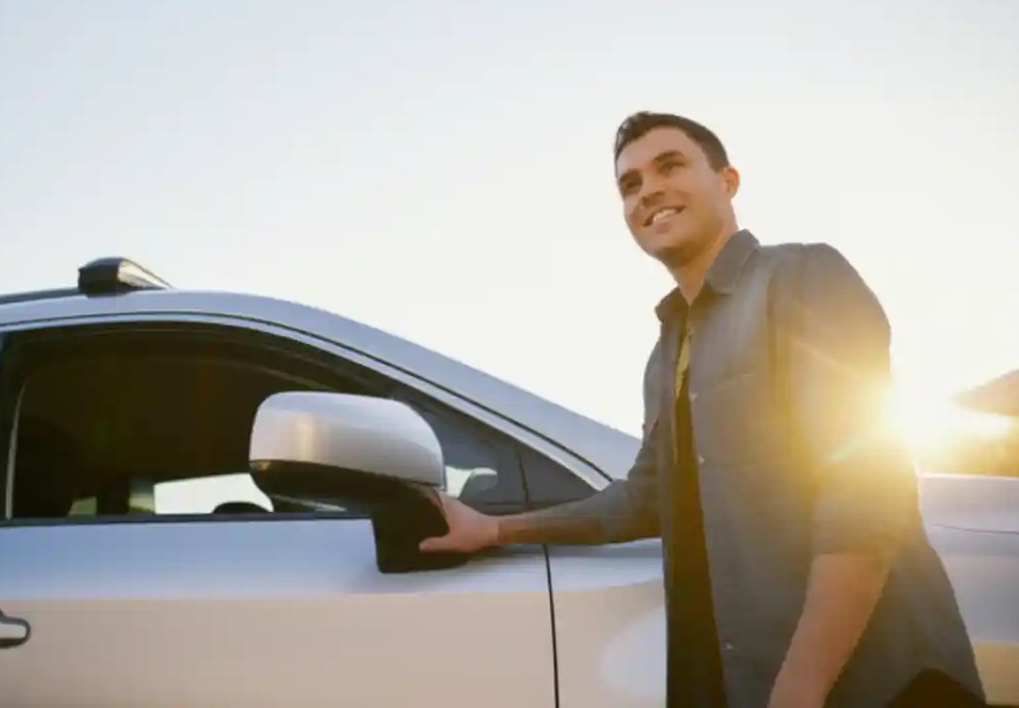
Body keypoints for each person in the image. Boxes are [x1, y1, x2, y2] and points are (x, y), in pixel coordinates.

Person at [419, 112, 985, 707]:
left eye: (670, 166)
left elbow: (865, 491)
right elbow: (642, 498)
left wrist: (802, 683)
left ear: (728, 181)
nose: (649, 191)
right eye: (630, 184)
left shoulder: (801, 277)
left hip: (874, 685)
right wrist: (495, 528)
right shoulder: (664, 357)